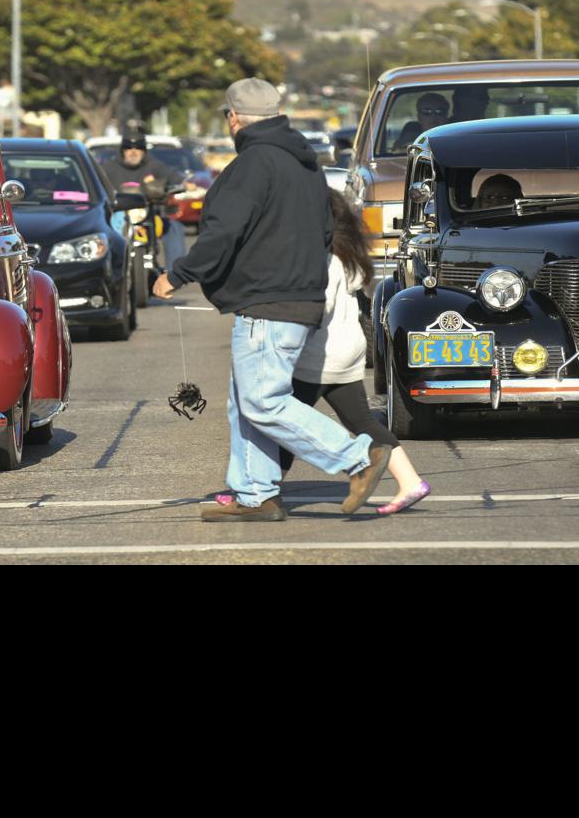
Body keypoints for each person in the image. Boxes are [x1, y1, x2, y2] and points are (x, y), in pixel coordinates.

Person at [153, 78, 392, 522]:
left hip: (268, 303)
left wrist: (178, 274)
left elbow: (223, 232)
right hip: (299, 299)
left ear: (234, 118)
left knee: (263, 402)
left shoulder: (252, 164)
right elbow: (325, 231)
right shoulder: (306, 165)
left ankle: (358, 457)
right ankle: (256, 494)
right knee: (245, 402)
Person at [217, 191, 430, 513]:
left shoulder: (320, 260)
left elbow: (317, 306)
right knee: (361, 421)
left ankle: (257, 492)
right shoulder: (346, 254)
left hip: (318, 355)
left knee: (274, 417)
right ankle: (412, 482)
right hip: (347, 349)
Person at [99, 131, 187, 270]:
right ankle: (103, 268)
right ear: (122, 150)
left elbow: (174, 177)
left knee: (174, 227)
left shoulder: (154, 166)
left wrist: (186, 183)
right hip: (117, 217)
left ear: (144, 151)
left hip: (148, 216)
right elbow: (94, 183)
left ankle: (175, 272)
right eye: (129, 147)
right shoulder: (108, 168)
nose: (133, 151)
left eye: (138, 147)